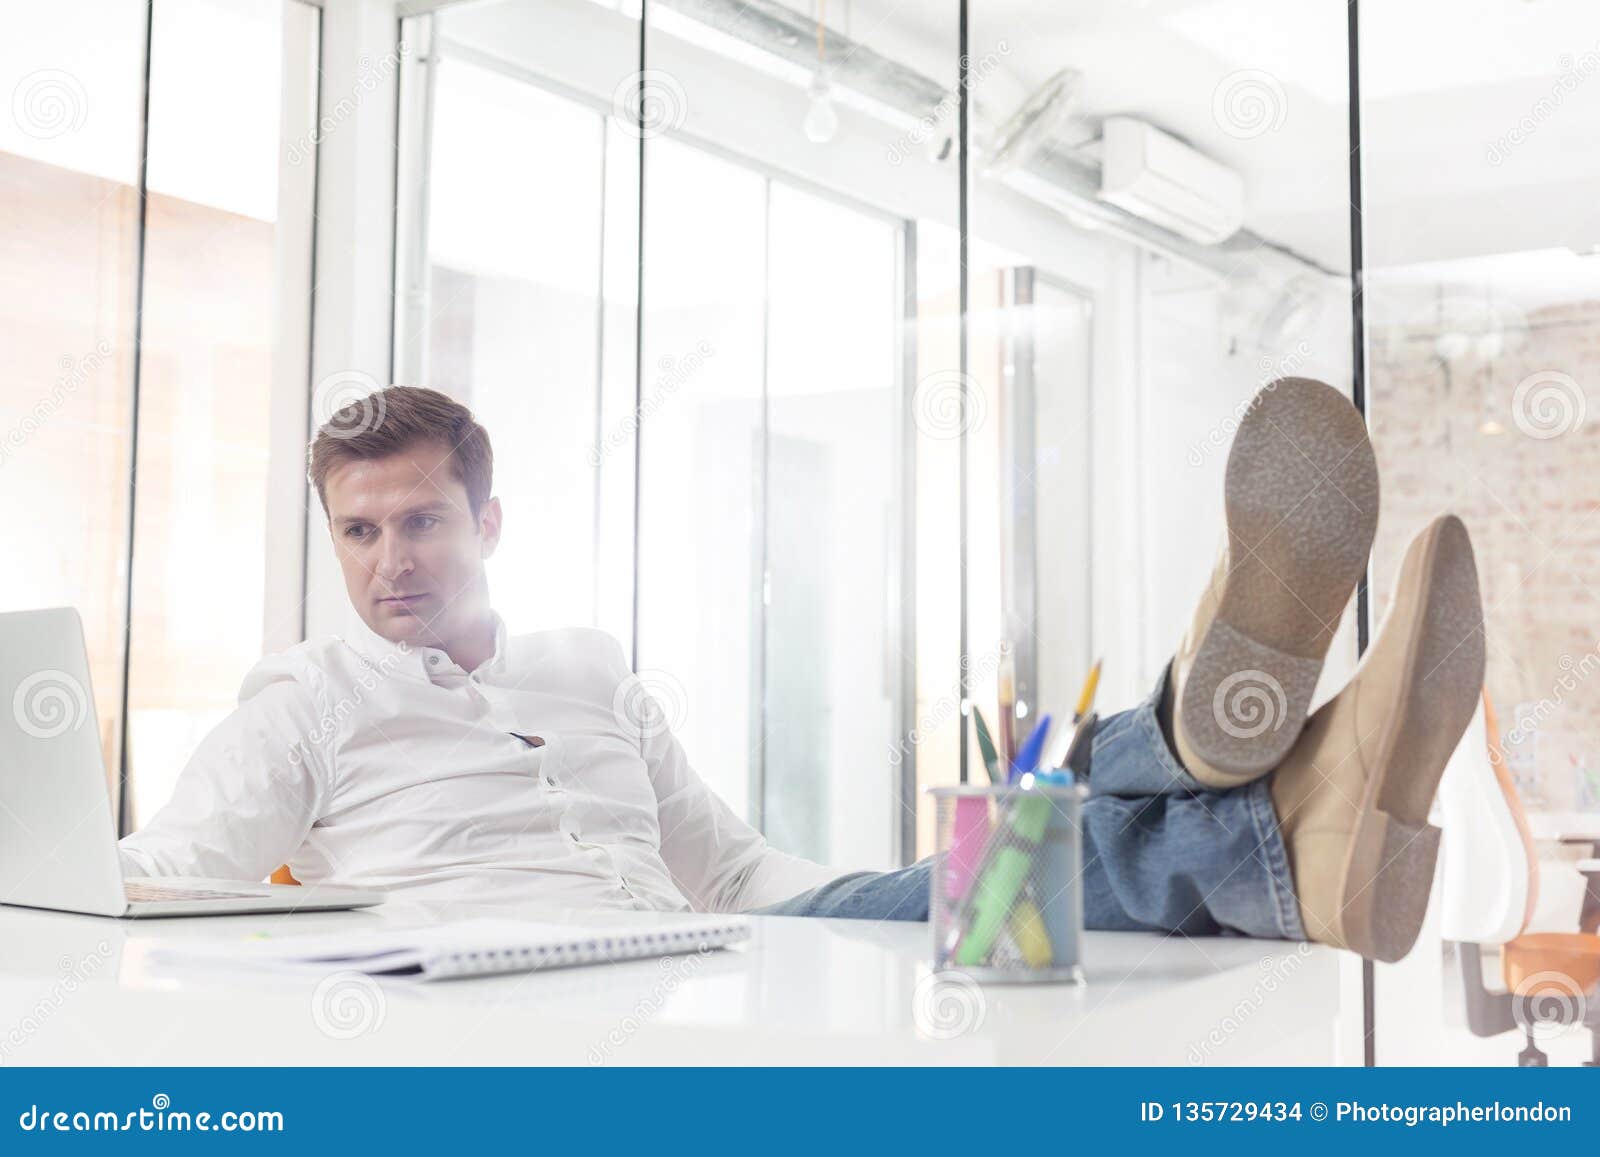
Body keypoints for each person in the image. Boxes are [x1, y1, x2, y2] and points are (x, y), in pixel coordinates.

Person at [120, 378, 1484, 963]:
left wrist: (857, 903)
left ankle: (1257, 792)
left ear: (486, 521)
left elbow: (724, 858)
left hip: (711, 944)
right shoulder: (307, 699)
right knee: (990, 879)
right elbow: (168, 865)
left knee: (986, 871)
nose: (386, 560)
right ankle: (1233, 761)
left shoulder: (586, 670)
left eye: (417, 520)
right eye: (356, 530)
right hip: (510, 984)